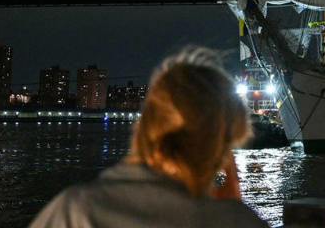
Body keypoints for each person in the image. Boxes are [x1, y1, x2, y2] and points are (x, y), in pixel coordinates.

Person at [30, 46, 268, 228]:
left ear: (145, 128)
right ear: (216, 147)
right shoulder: (232, 220)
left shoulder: (74, 210)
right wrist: (231, 210)